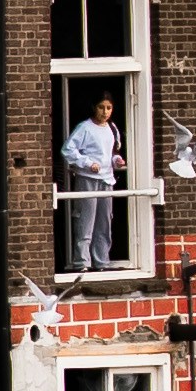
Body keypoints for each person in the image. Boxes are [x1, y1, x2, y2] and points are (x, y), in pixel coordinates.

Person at [58, 95, 120, 277]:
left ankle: (102, 260)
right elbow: (67, 149)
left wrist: (117, 160)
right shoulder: (85, 128)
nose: (105, 112)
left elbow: (112, 153)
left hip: (106, 179)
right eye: (101, 107)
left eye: (109, 108)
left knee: (104, 221)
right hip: (88, 178)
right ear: (94, 107)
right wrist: (86, 163)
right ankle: (82, 261)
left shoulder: (112, 128)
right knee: (86, 219)